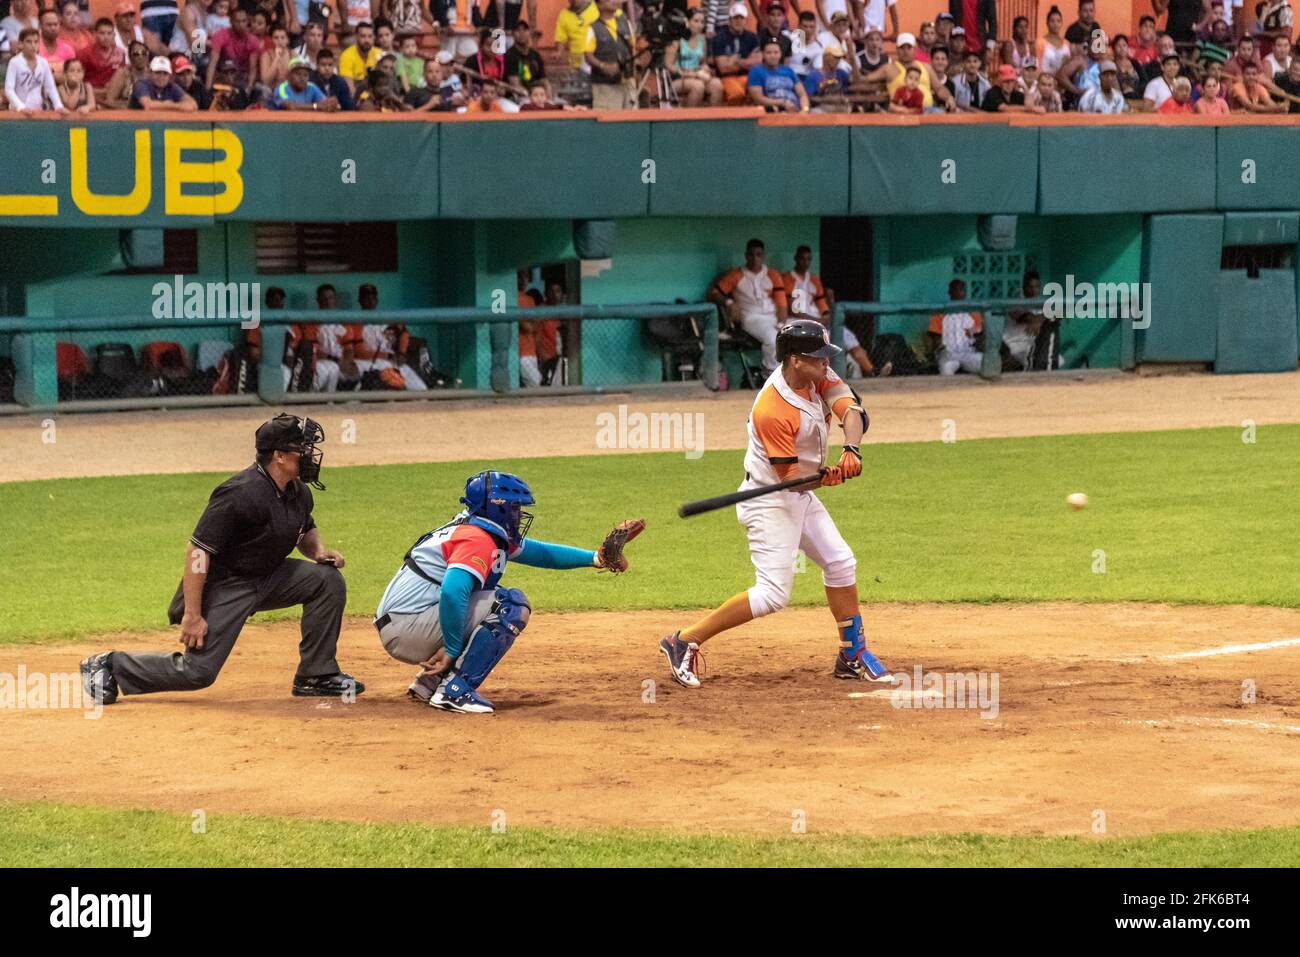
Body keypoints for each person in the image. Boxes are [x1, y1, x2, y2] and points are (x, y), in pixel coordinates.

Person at [659, 319, 893, 690]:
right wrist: (829, 476)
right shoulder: (772, 409)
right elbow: (791, 478)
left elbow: (852, 412)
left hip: (798, 495)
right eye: (818, 359)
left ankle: (851, 655)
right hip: (771, 502)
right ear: (796, 360)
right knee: (772, 594)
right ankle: (683, 640)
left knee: (840, 562)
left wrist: (852, 450)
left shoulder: (817, 375)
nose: (826, 365)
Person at [80, 415, 364, 706]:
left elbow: (305, 527)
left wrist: (318, 551)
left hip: (271, 576)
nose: (309, 455)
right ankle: (109, 665)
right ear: (279, 456)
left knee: (326, 580)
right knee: (197, 672)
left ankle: (315, 675)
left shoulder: (297, 491)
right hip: (229, 584)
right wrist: (192, 614)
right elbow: (197, 552)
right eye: (302, 448)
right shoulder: (240, 493)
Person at [377, 471, 640, 713]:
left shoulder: (478, 528)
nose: (519, 514)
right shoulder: (477, 539)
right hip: (407, 629)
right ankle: (454, 691)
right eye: (514, 508)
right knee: (508, 605)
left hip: (404, 622)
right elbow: (452, 593)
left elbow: (540, 553)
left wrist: (596, 558)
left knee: (490, 598)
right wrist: (452, 648)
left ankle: (429, 684)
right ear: (497, 508)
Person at [708, 238, 789, 376]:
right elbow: (713, 293)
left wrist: (781, 322)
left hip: (772, 316)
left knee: (796, 333)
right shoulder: (736, 275)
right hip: (751, 317)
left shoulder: (772, 275)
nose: (755, 258)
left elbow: (782, 304)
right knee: (772, 338)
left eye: (758, 254)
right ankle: (770, 373)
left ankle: (792, 375)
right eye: (751, 254)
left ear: (763, 256)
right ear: (746, 255)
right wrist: (729, 302)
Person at [584, 0, 636, 109]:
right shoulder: (592, 28)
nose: (614, 1)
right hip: (605, 86)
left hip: (628, 83)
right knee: (609, 123)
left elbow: (633, 49)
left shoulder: (626, 23)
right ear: (599, 5)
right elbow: (588, 56)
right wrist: (603, 66)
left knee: (632, 121)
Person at [928, 278, 983, 376]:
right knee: (946, 369)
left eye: (962, 289)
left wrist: (977, 343)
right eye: (956, 289)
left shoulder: (973, 313)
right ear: (950, 292)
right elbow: (935, 338)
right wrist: (941, 350)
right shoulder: (940, 313)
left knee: (984, 362)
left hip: (968, 353)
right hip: (948, 354)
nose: (960, 292)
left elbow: (978, 336)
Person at [5, 28, 68, 113]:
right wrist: (21, 107)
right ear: (20, 44)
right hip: (17, 112)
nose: (33, 45)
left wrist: (58, 106)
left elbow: (50, 87)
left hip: (37, 111)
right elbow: (9, 89)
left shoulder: (43, 62)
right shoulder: (14, 62)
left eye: (36, 42)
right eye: (29, 42)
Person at [670, 7, 722, 105]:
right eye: (696, 21)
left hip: (697, 74)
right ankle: (689, 119)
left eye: (702, 22)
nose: (700, 25)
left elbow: (702, 62)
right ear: (687, 22)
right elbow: (668, 66)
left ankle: (713, 118)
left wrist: (705, 68)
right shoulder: (677, 40)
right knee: (698, 86)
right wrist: (691, 74)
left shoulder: (702, 40)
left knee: (717, 84)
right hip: (679, 77)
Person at [748, 37, 809, 110]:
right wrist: (781, 103)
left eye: (776, 52)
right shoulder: (756, 71)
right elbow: (758, 99)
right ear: (763, 55)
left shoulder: (788, 70)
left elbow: (802, 94)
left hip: (796, 109)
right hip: (774, 110)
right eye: (769, 53)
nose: (773, 56)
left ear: (780, 54)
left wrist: (805, 110)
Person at [130, 53, 197, 108]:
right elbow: (148, 105)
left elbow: (193, 104)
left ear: (169, 76)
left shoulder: (171, 86)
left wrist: (169, 105)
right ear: (149, 73)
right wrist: (176, 105)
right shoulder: (141, 84)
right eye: (157, 72)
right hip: (138, 123)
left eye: (165, 73)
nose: (161, 77)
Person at [78, 17, 126, 92]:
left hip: (114, 94)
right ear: (95, 34)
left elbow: (123, 78)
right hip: (92, 93)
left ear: (114, 35)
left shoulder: (120, 53)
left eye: (109, 33)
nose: (106, 37)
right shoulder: (84, 53)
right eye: (102, 33)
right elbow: (78, 82)